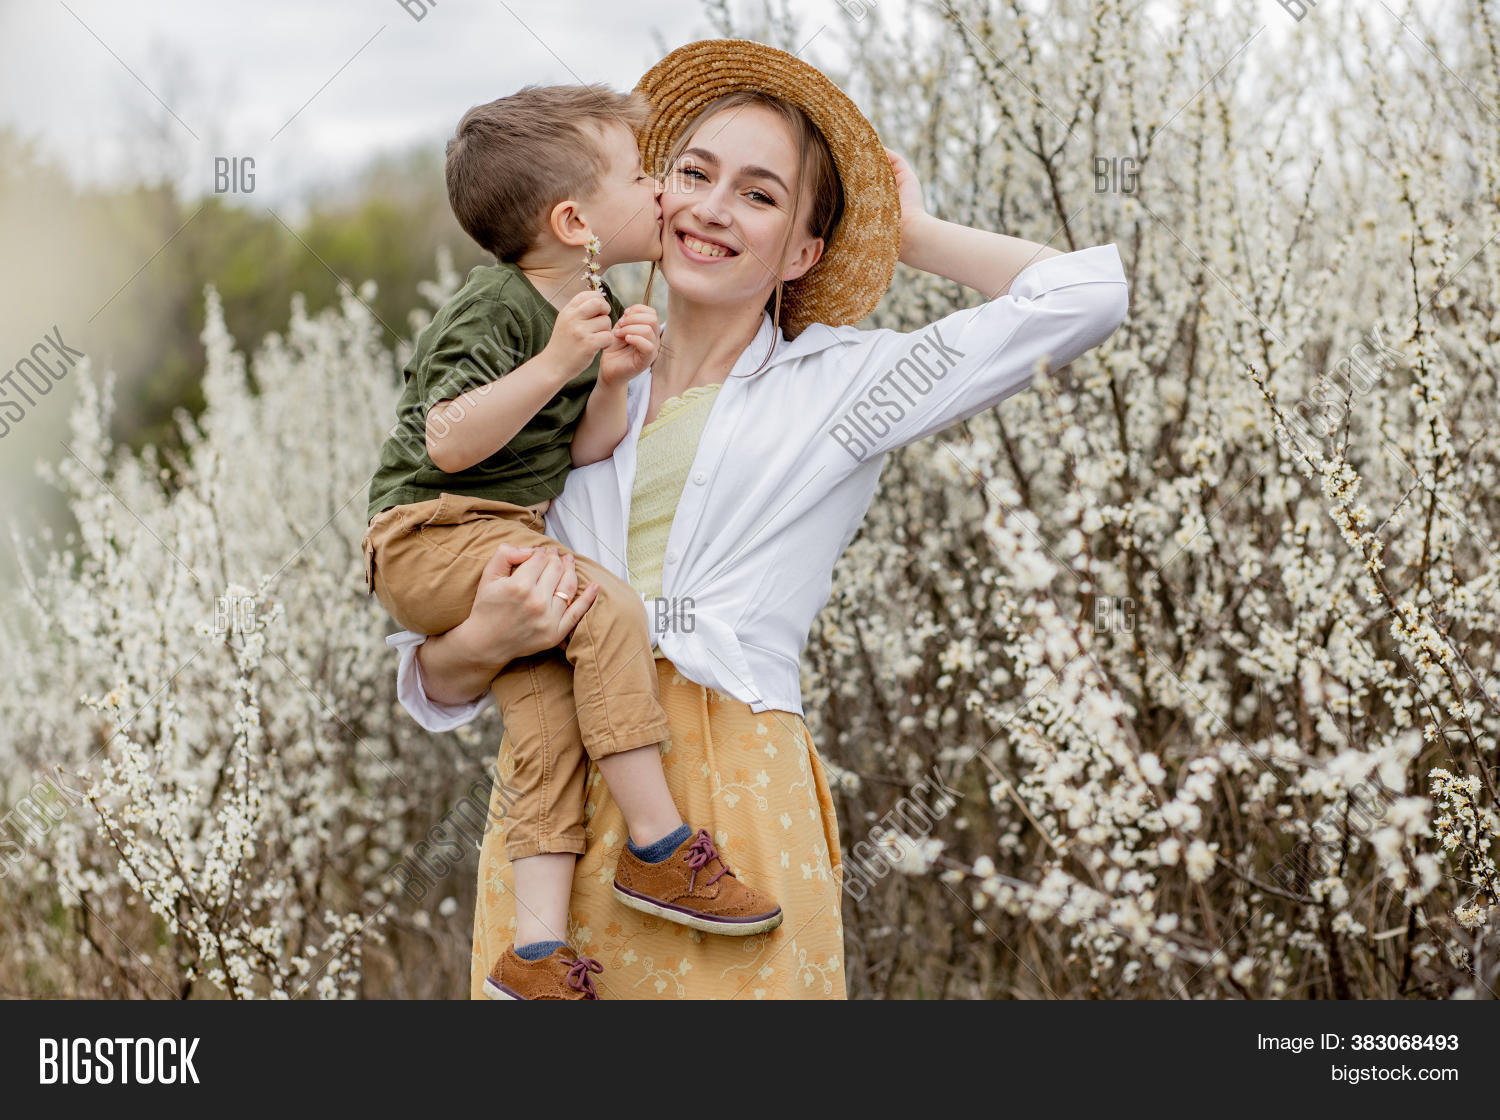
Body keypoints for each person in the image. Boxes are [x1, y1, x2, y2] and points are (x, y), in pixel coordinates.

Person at [386, 39, 1131, 999]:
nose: (712, 208)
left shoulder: (843, 381)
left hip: (725, 809)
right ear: (652, 194)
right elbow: (439, 649)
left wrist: (909, 231)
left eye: (761, 194)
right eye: (693, 173)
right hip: (555, 822)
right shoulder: (557, 371)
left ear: (803, 250)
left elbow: (1087, 294)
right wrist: (480, 640)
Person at [362, 83, 782, 1002]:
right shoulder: (498, 305)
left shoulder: (582, 306)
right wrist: (556, 360)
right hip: (431, 531)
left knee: (546, 715)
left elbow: (580, 450)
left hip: (495, 536)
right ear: (572, 220)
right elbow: (447, 439)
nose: (664, 190)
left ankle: (538, 952)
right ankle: (659, 845)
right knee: (606, 606)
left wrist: (609, 382)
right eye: (644, 177)